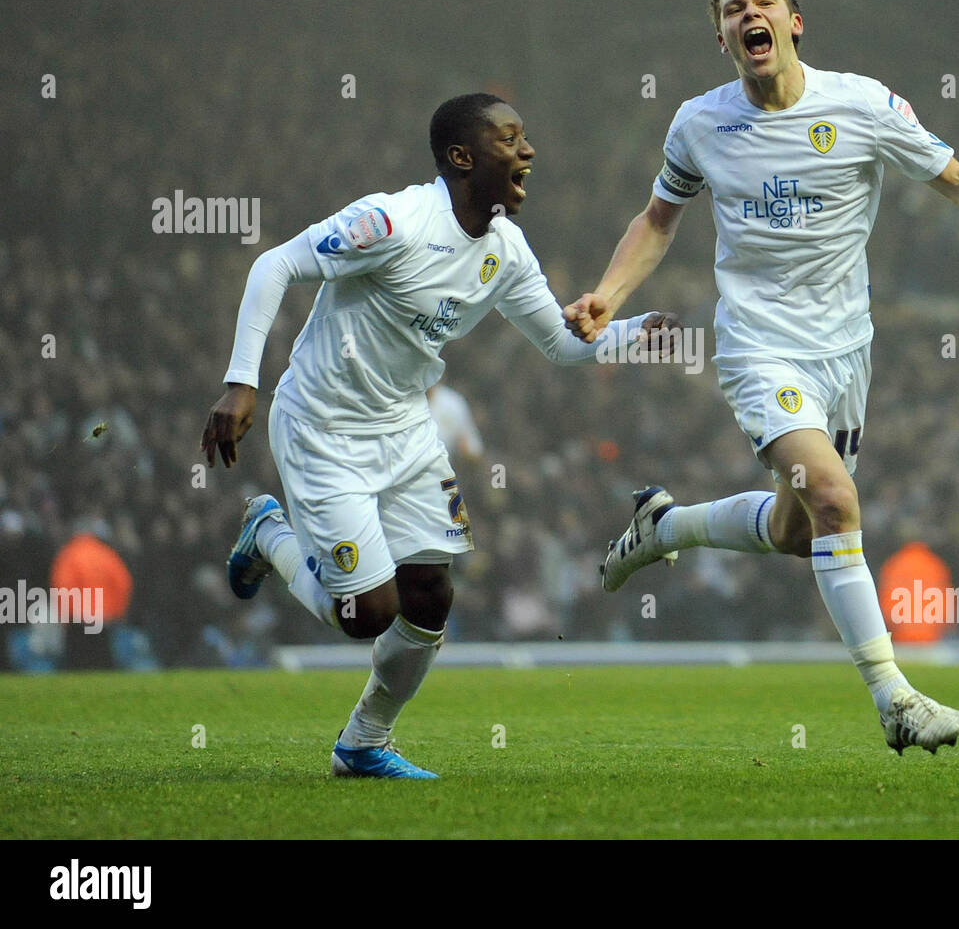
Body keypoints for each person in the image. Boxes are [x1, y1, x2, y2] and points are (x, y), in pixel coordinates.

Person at [564, 0, 959, 755]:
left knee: (801, 530)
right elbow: (658, 220)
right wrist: (607, 296)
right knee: (834, 499)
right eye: (733, 9)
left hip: (846, 356)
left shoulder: (864, 105)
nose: (748, 15)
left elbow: (956, 177)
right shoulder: (699, 122)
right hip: (760, 349)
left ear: (794, 23)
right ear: (721, 34)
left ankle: (666, 524)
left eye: (764, 2)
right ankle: (895, 698)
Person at [201, 93, 673, 779]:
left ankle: (363, 741)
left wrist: (635, 332)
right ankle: (269, 534)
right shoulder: (394, 221)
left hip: (405, 428)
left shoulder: (505, 248)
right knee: (366, 613)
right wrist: (242, 380)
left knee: (431, 596)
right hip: (323, 429)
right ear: (462, 156)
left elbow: (560, 344)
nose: (528, 150)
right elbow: (273, 264)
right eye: (511, 138)